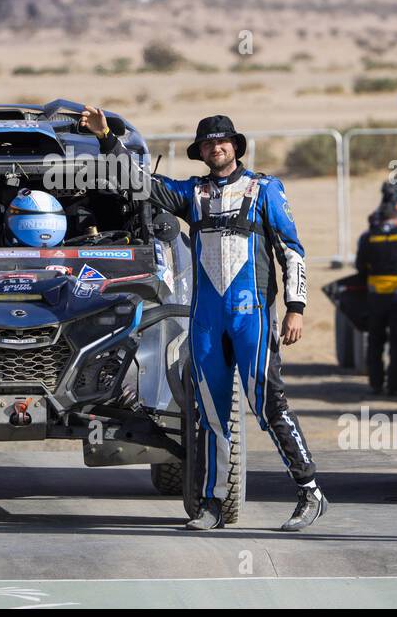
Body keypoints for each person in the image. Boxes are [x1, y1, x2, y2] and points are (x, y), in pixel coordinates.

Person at [80, 106, 328, 532]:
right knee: (210, 413)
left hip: (253, 315)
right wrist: (106, 139)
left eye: (223, 141)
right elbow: (141, 184)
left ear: (236, 146)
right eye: (209, 144)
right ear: (200, 152)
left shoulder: (264, 189)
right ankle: (212, 505)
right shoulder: (191, 194)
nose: (217, 148)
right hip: (206, 319)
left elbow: (292, 250)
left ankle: (310, 492)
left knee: (268, 404)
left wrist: (297, 308)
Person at [355, 204, 397, 395]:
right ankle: (394, 385)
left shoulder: (368, 237)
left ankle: (376, 383)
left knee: (375, 341)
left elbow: (360, 267)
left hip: (375, 297)